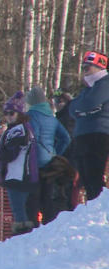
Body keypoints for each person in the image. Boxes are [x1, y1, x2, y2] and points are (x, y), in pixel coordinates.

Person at [0, 91, 39, 235]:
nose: (8, 117)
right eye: (6, 113)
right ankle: (24, 237)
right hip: (20, 175)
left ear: (20, 113)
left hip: (17, 176)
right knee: (21, 210)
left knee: (19, 211)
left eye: (11, 113)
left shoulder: (19, 130)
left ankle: (22, 238)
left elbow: (10, 154)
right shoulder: (21, 128)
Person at [26, 86, 72, 225]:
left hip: (34, 163)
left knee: (32, 198)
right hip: (50, 163)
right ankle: (49, 227)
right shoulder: (51, 118)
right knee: (48, 197)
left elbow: (33, 137)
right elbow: (66, 138)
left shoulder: (32, 115)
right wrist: (55, 153)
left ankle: (31, 229)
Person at [69, 50, 109, 201]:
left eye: (87, 68)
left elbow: (89, 103)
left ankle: (98, 205)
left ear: (99, 67)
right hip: (83, 136)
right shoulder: (88, 89)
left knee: (94, 175)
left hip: (98, 135)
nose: (84, 72)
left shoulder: (105, 83)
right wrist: (84, 111)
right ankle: (93, 205)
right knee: (85, 177)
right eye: (83, 68)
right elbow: (72, 109)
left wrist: (83, 110)